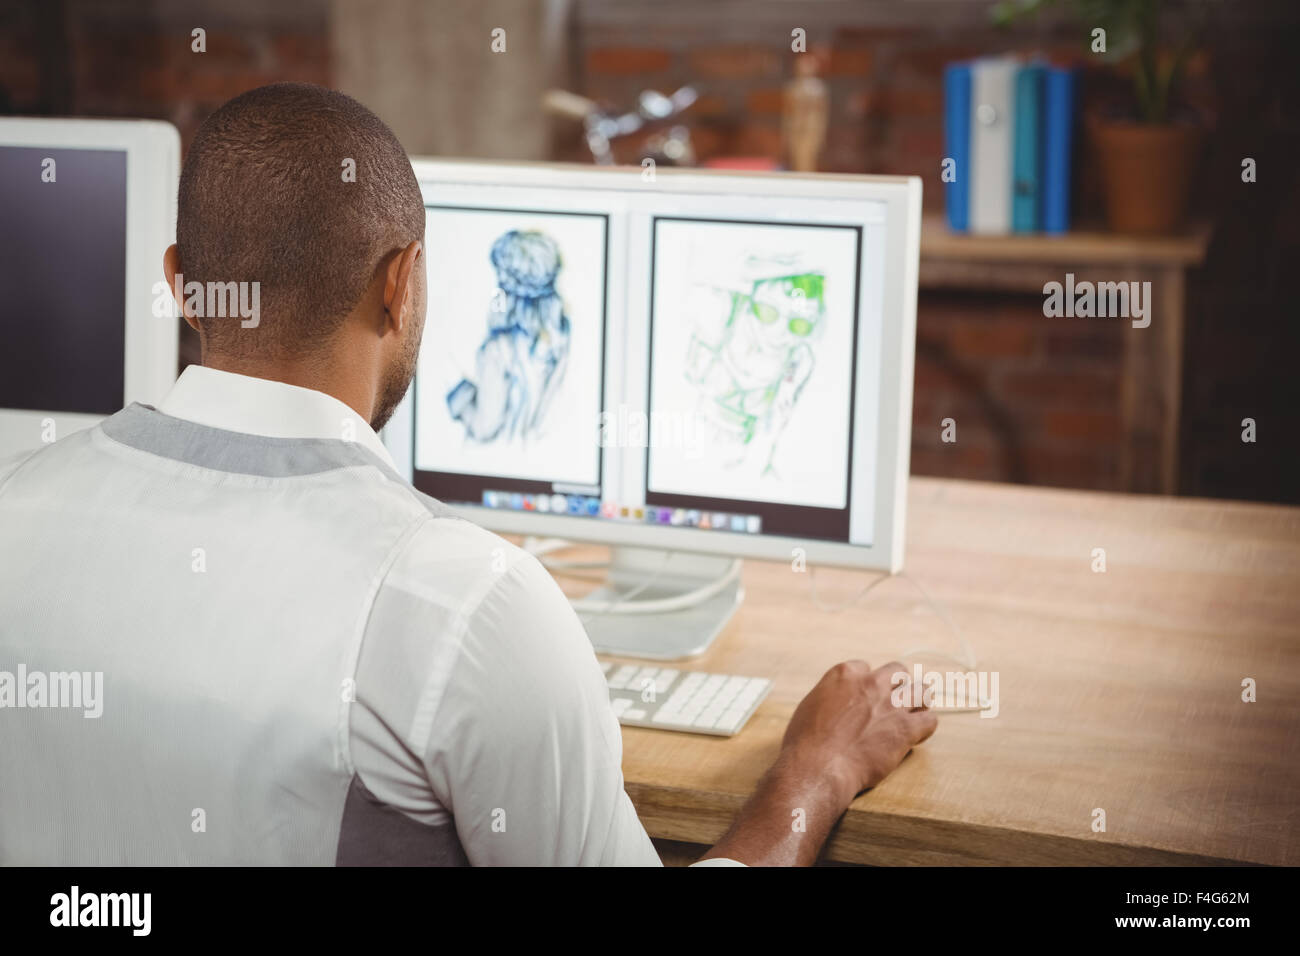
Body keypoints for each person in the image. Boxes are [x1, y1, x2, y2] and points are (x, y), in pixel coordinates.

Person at [0, 83, 936, 866]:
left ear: (179, 280)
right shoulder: (461, 603)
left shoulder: (15, 509)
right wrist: (813, 775)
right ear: (400, 284)